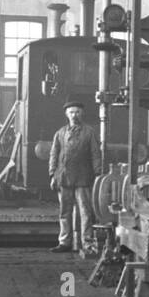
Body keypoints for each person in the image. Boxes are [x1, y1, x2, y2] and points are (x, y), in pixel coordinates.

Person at [48, 99, 101, 254]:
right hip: (63, 177)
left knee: (85, 212)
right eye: (71, 112)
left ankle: (87, 243)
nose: (74, 115)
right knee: (64, 212)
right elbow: (53, 155)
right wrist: (52, 174)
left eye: (77, 112)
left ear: (82, 114)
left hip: (83, 178)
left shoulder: (89, 132)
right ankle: (64, 242)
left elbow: (96, 154)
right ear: (67, 114)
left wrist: (97, 174)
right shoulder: (60, 133)